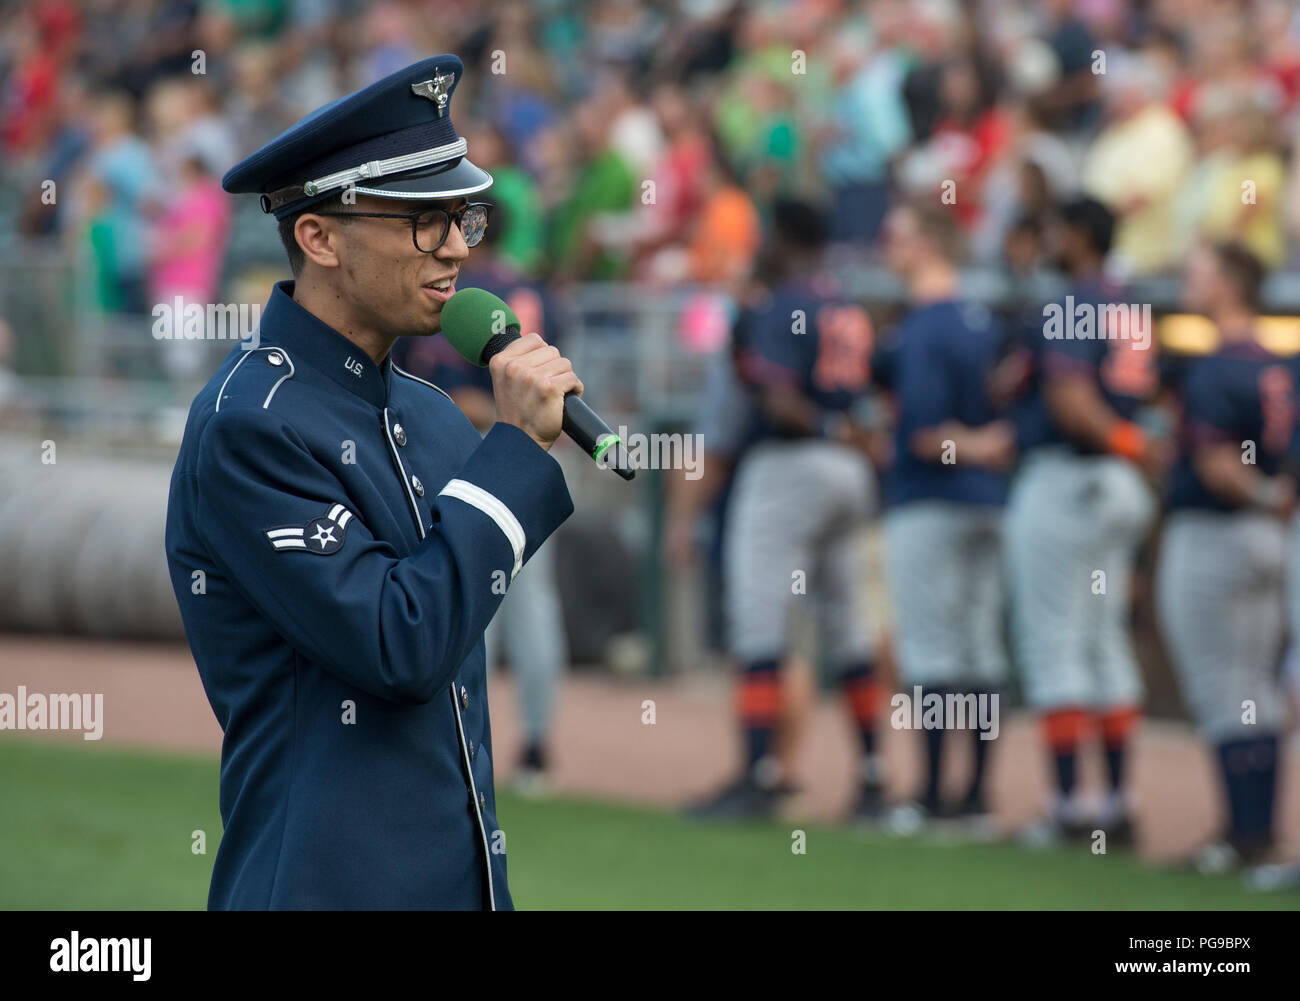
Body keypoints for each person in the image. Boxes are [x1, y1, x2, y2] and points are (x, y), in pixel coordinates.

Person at [164, 56, 581, 910]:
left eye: (462, 214)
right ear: (318, 237)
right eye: (425, 221)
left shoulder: (426, 409)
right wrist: (510, 454)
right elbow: (400, 644)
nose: (460, 245)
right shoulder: (250, 421)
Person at [685, 199, 881, 821]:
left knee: (761, 625)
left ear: (788, 236)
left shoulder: (785, 304)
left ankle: (759, 776)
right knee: (847, 626)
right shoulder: (846, 305)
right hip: (849, 473)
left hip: (790, 466)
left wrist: (824, 424)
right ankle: (874, 781)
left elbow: (775, 397)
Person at [1004, 197, 1163, 848]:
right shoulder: (1131, 301)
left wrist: (1124, 443)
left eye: (1056, 231)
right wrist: (1134, 451)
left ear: (1077, 235)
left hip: (1072, 476)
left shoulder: (1075, 298)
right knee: (1104, 641)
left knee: (1056, 643)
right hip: (1115, 485)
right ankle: (1118, 805)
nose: (1050, 242)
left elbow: (1071, 399)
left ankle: (1071, 808)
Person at [393, 209, 568, 796]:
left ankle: (481, 745)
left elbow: (442, 397)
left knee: (476, 602)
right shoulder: (536, 293)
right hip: (531, 453)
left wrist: (480, 409)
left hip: (478, 460)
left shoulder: (455, 299)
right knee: (529, 610)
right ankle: (535, 749)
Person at [875, 201, 1013, 836]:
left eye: (900, 235)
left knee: (933, 648)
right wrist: (992, 447)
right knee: (980, 647)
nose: (889, 246)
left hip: (930, 497)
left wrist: (967, 444)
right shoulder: (987, 320)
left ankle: (932, 798)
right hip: (991, 500)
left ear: (928, 245)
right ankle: (978, 799)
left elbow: (927, 434)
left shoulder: (926, 325)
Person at [1156, 242, 1293, 876]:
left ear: (1232, 284)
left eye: (1200, 269)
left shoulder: (1214, 366)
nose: (1189, 279)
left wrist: (1263, 496)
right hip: (1269, 541)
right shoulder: (1279, 363)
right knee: (1256, 692)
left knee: (1223, 691)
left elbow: (1217, 466)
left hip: (1218, 535)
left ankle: (1244, 837)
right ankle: (1253, 833)